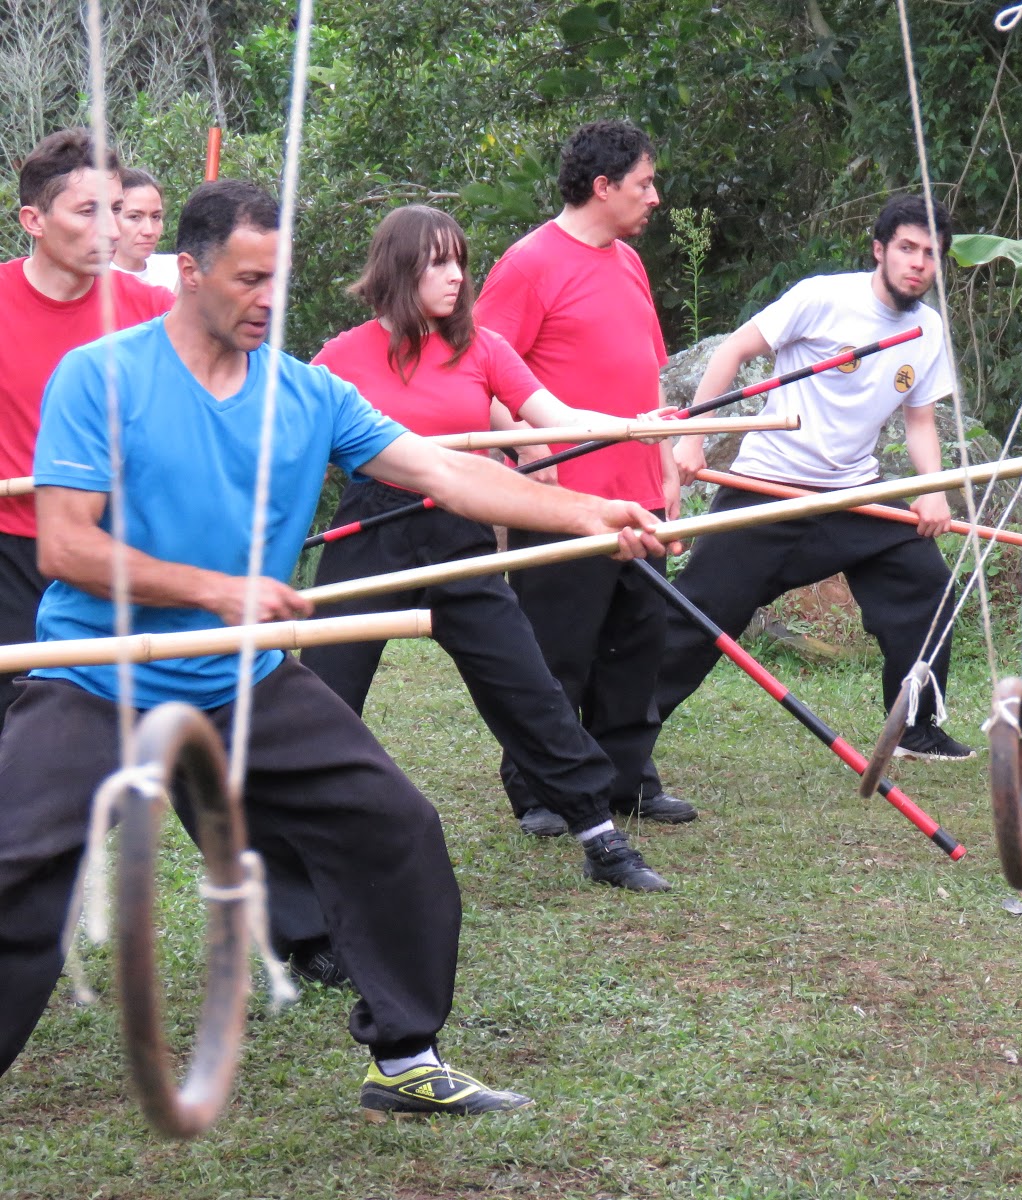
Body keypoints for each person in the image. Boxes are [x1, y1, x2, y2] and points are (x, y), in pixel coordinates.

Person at [0, 180, 675, 1118]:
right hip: (100, 677)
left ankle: (405, 1060)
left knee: (392, 827)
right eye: (246, 278)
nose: (267, 299)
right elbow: (69, 543)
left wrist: (591, 509)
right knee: (15, 868)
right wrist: (215, 588)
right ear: (188, 273)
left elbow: (444, 471)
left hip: (245, 681)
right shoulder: (102, 375)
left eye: (280, 278)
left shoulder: (309, 394)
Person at [294, 205, 670, 937]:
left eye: (461, 260)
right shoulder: (339, 357)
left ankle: (598, 835)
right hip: (372, 527)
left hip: (458, 528)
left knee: (525, 682)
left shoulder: (484, 347)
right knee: (322, 701)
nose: (458, 276)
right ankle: (304, 873)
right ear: (398, 270)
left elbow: (553, 418)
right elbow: (289, 452)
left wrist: (635, 425)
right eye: (438, 262)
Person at [635, 195, 974, 809]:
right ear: (879, 249)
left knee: (927, 589)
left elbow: (919, 421)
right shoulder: (824, 297)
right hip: (771, 486)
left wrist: (933, 492)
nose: (919, 263)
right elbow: (733, 351)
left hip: (855, 493)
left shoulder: (928, 329)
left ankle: (916, 728)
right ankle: (620, 738)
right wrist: (693, 434)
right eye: (907, 248)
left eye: (931, 254)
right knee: (701, 618)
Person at [475, 119, 698, 831]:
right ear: (602, 187)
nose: (653, 197)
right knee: (555, 652)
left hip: (640, 496)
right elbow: (483, 377)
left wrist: (669, 475)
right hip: (565, 501)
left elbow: (650, 381)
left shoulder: (628, 262)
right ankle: (542, 791)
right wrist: (528, 458)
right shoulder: (528, 263)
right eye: (643, 183)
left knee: (637, 646)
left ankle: (626, 780)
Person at [0, 129, 172, 736]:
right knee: (21, 733)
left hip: (116, 549)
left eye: (117, 211)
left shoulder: (154, 310)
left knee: (125, 731)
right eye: (87, 211)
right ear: (34, 220)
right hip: (13, 554)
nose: (111, 230)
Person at [110, 167, 180, 292]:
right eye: (134, 217)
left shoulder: (177, 271)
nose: (149, 231)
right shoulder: (91, 280)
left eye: (156, 217)